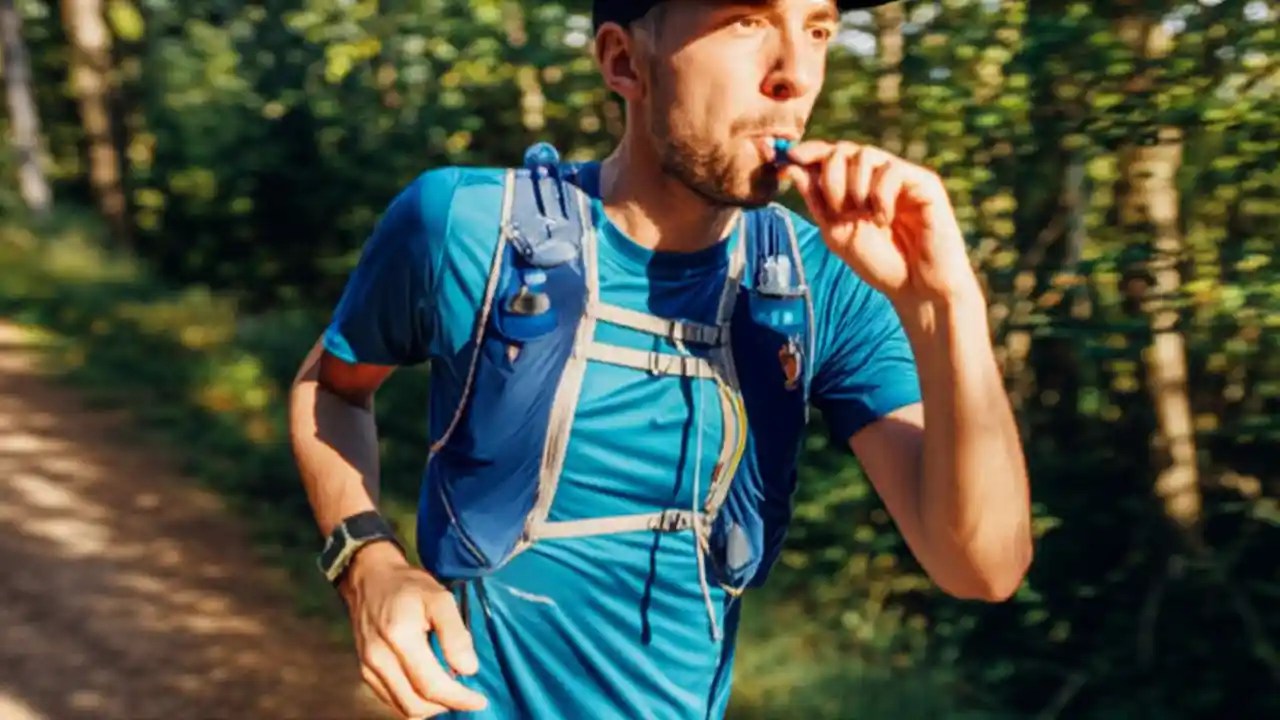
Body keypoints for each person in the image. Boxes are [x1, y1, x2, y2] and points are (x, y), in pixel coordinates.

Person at [287, 0, 1034, 718]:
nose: (795, 74)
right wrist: (366, 560)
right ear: (623, 61)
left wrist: (944, 302)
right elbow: (332, 387)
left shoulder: (825, 284)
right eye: (747, 22)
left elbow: (982, 566)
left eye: (816, 30)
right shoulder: (466, 225)